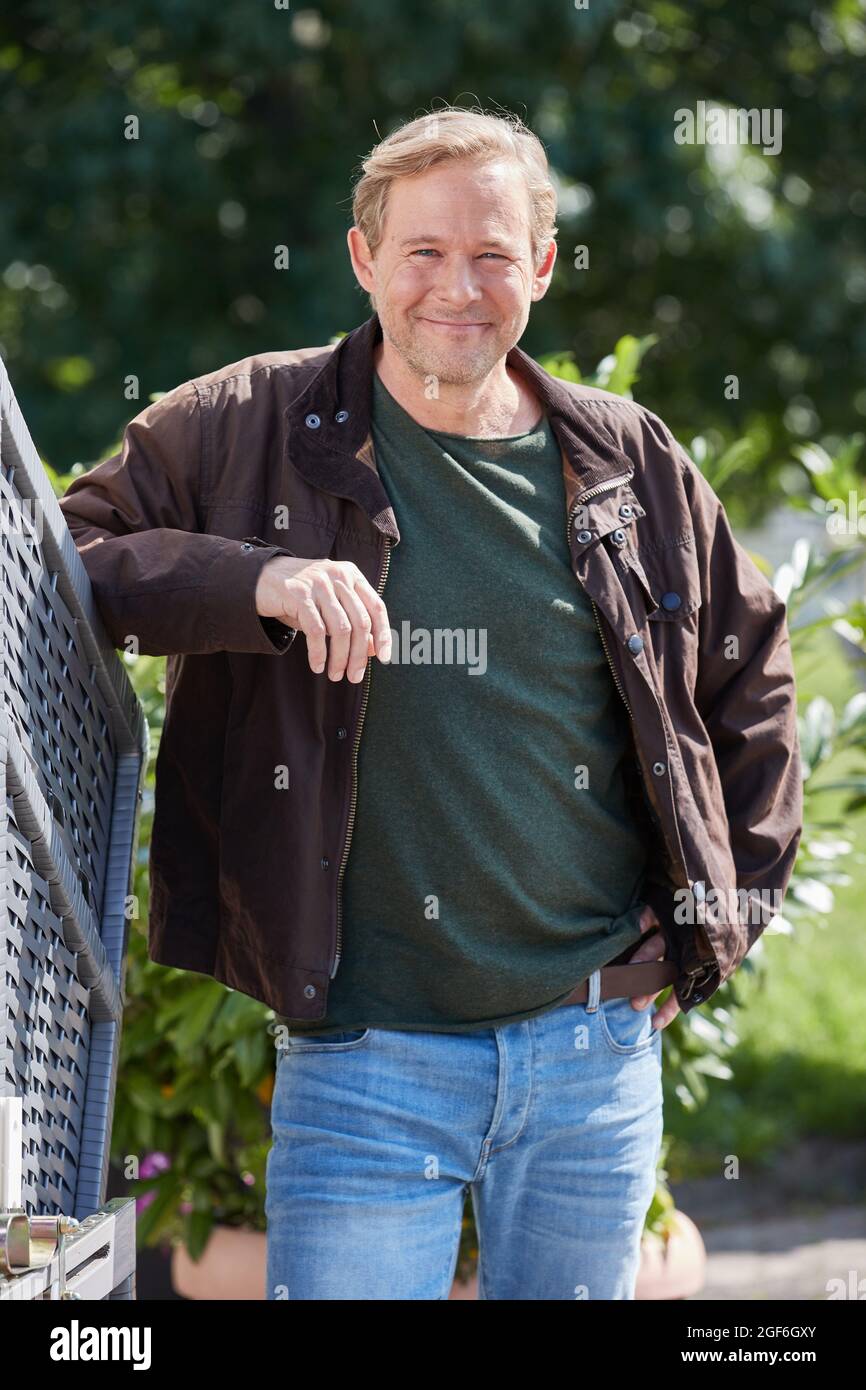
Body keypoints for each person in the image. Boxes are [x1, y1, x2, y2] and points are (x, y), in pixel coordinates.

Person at [59, 105, 803, 1300]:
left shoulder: (624, 461)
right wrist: (258, 577)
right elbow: (63, 562)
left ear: (542, 269)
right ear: (364, 260)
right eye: (423, 252)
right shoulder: (246, 422)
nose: (457, 287)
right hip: (363, 1062)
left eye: (492, 254)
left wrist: (706, 933)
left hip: (591, 1055)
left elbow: (751, 679)